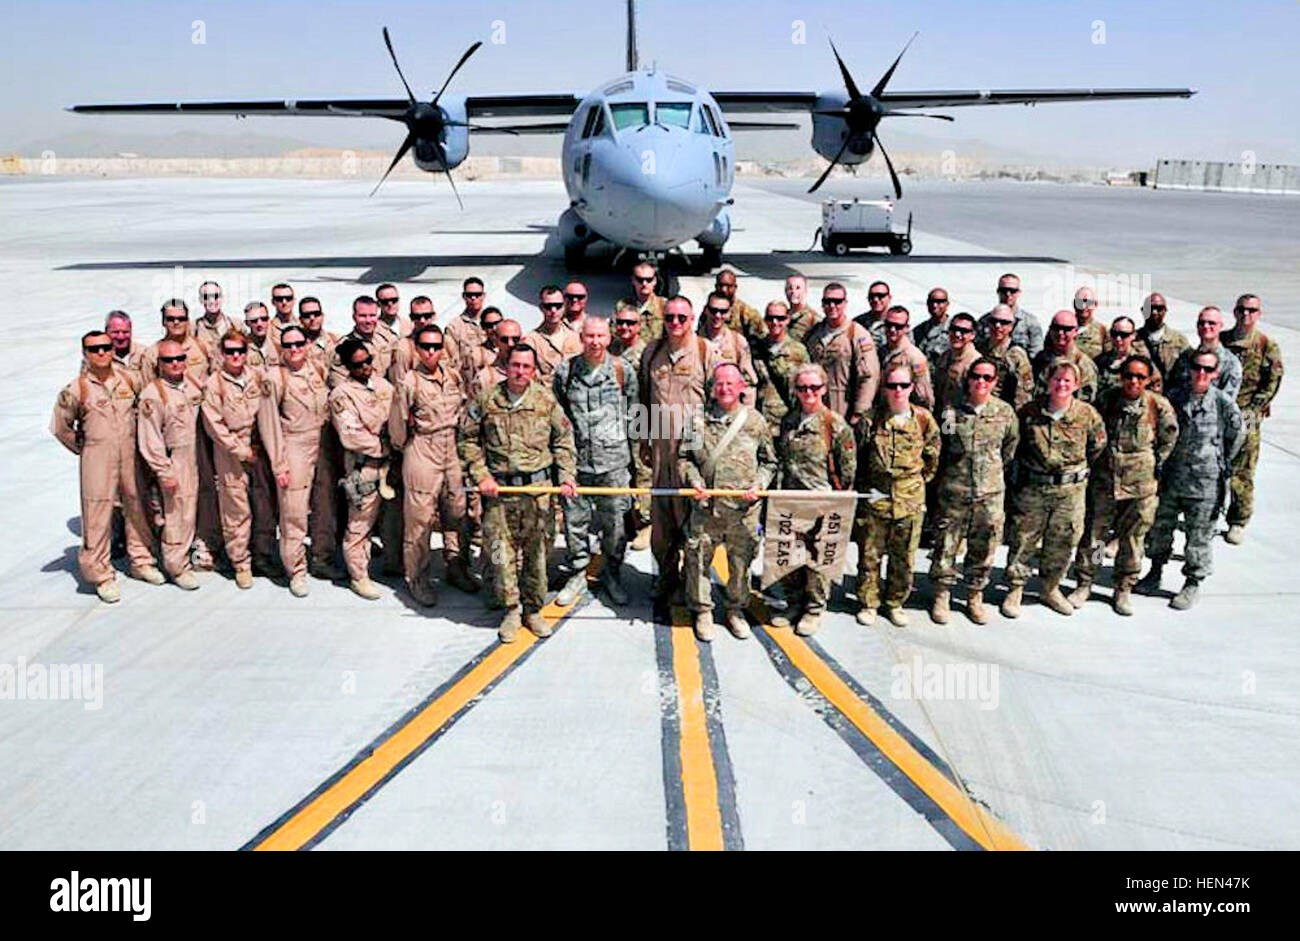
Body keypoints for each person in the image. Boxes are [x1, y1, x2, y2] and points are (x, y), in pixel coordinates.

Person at [460, 344, 578, 642]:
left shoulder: (545, 400)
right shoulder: (487, 399)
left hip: (538, 494)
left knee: (538, 554)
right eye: (515, 365)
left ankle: (533, 609)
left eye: (526, 367)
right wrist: (481, 475)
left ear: (534, 370)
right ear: (507, 366)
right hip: (500, 493)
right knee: (500, 554)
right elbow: (467, 440)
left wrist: (566, 476)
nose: (520, 372)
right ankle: (511, 610)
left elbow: (563, 439)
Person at [51, 331, 161, 602]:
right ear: (85, 353)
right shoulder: (76, 389)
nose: (101, 352)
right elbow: (61, 427)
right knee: (97, 514)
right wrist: (84, 448)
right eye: (94, 349)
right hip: (97, 457)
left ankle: (141, 561)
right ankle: (100, 574)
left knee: (137, 506)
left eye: (105, 347)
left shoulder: (129, 380)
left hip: (130, 453)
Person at [1069, 354, 1178, 615]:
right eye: (1129, 375)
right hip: (1106, 483)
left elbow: (1168, 440)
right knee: (1095, 538)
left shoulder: (1158, 407)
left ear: (1148, 380)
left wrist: (1151, 465)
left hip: (1140, 488)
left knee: (1131, 540)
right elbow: (1094, 434)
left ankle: (1123, 588)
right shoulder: (1107, 400)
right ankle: (1086, 582)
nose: (1133, 381)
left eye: (1140, 377)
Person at [1138, 348, 1244, 609]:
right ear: (1190, 369)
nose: (1201, 373)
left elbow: (1237, 435)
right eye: (1197, 367)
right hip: (1172, 477)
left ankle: (1192, 582)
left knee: (1199, 536)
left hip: (1205, 482)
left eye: (1208, 369)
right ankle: (1155, 571)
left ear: (1216, 373)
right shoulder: (1175, 398)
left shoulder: (1222, 403)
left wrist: (1217, 460)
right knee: (1160, 528)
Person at [678, 363, 777, 641]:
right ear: (712, 388)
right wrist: (693, 481)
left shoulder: (755, 421)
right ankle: (702, 611)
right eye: (719, 383)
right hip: (706, 508)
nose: (724, 389)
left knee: (741, 563)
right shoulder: (697, 420)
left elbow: (769, 462)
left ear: (742, 387)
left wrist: (759, 485)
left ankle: (736, 609)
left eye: (730, 383)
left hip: (743, 510)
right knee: (698, 559)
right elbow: (684, 458)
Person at [1001, 360, 1106, 618]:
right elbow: (1015, 445)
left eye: (1067, 380)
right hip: (1033, 488)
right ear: (1048, 382)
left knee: (1063, 541)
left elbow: (1097, 446)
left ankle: (1050, 588)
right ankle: (1016, 588)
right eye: (1057, 379)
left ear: (1076, 385)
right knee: (1023, 539)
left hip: (1070, 492)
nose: (1061, 384)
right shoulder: (1029, 412)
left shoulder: (1087, 414)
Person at [638, 296, 723, 603]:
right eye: (670, 317)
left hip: (694, 450)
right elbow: (644, 397)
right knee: (662, 520)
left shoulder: (706, 351)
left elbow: (721, 400)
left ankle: (692, 578)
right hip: (662, 449)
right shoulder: (652, 352)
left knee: (694, 518)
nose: (675, 323)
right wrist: (643, 440)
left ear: (692, 318)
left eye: (682, 317)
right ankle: (667, 576)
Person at [553, 316, 638, 606]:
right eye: (590, 336)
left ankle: (611, 574)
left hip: (613, 463)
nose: (595, 342)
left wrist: (635, 462)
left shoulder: (622, 370)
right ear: (581, 337)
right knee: (575, 522)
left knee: (615, 523)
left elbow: (634, 413)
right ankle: (578, 572)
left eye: (601, 336)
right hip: (576, 461)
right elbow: (559, 415)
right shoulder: (566, 371)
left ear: (609, 338)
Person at [389, 323, 476, 605]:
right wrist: (409, 448)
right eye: (425, 346)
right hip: (423, 449)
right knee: (420, 520)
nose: (431, 352)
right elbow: (397, 428)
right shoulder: (409, 382)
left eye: (436, 346)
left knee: (457, 512)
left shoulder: (452, 376)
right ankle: (417, 579)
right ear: (416, 349)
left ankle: (456, 566)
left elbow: (462, 409)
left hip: (451, 448)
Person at [928, 358, 1019, 625]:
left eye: (987, 377)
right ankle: (942, 594)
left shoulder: (1005, 413)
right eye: (976, 376)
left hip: (989, 494)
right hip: (954, 492)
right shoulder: (951, 412)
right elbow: (942, 447)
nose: (981, 381)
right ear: (968, 379)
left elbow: (1009, 449)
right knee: (946, 544)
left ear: (995, 382)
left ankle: (974, 595)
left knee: (984, 546)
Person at [771, 363, 856, 636]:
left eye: (814, 387)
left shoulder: (835, 425)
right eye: (802, 388)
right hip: (791, 499)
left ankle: (814, 609)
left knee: (818, 560)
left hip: (822, 502)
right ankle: (794, 603)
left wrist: (835, 499)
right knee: (790, 556)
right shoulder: (789, 421)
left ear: (824, 389)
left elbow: (847, 469)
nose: (809, 393)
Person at [853, 362, 940, 627]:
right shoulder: (870, 421)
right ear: (884, 388)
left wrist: (913, 485)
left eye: (904, 385)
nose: (898, 390)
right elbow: (859, 459)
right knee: (870, 555)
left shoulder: (923, 419)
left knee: (903, 556)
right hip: (876, 498)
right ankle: (869, 602)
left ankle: (895, 602)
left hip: (909, 499)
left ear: (912, 387)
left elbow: (932, 456)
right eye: (892, 385)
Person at [256, 325, 329, 598]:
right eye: (288, 345)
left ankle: (322, 558)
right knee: (294, 512)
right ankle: (296, 570)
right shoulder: (275, 378)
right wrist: (279, 463)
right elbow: (268, 424)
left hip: (321, 443)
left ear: (308, 344)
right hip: (293, 445)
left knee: (324, 506)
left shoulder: (317, 370)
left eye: (299, 343)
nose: (295, 349)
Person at [329, 337, 396, 600]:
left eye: (368, 361)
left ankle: (394, 563)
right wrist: (385, 446)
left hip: (391, 464)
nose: (366, 367)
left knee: (393, 521)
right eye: (358, 365)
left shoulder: (384, 386)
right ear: (348, 367)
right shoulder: (342, 395)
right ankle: (358, 575)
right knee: (360, 525)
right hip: (365, 465)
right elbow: (352, 435)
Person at [136, 339, 205, 590]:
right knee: (177, 514)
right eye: (168, 360)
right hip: (174, 458)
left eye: (179, 358)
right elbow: (150, 439)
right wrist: (164, 471)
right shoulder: (153, 395)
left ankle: (192, 554)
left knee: (194, 510)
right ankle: (177, 566)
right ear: (159, 363)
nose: (175, 363)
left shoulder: (192, 384)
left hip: (196, 454)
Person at [200, 331, 267, 589]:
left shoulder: (257, 377)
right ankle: (241, 563)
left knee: (262, 505)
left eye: (240, 350)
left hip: (258, 448)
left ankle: (263, 556)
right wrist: (240, 450)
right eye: (230, 351)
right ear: (222, 354)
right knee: (236, 509)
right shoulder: (214, 384)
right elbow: (214, 425)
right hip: (230, 452)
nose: (236, 356)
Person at [1223, 293, 1284, 545]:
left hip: (1248, 413)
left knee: (1243, 469)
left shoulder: (1266, 345)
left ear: (1259, 314)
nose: (1246, 314)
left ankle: (1238, 520)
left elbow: (1272, 381)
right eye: (1242, 309)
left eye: (1251, 310)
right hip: (1222, 411)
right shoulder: (1224, 340)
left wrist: (1254, 408)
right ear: (1235, 312)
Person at [297, 297, 344, 579]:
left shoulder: (336, 343)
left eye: (316, 313)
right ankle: (315, 556)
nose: (312, 318)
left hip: (332, 431)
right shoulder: (294, 346)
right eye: (306, 315)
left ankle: (334, 548)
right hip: (302, 435)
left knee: (335, 495)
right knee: (310, 501)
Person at [803, 282, 879, 428]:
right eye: (827, 302)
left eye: (837, 301)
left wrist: (859, 411)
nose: (832, 306)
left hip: (844, 410)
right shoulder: (814, 333)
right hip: (815, 407)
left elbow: (868, 376)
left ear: (845, 303)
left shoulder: (857, 335)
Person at [611, 308, 652, 550]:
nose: (625, 327)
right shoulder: (613, 350)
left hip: (640, 415)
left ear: (639, 326)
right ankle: (626, 521)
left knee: (641, 469)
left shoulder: (646, 352)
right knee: (620, 468)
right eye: (621, 322)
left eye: (630, 323)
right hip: (616, 417)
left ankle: (646, 522)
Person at [753, 301, 810, 437]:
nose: (775, 322)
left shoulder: (798, 351)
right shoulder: (756, 348)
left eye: (780, 318)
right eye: (770, 318)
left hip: (786, 423)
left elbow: (806, 387)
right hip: (760, 422)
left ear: (788, 319)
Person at [1166, 306, 1242, 399]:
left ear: (1221, 326)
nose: (1206, 326)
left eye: (1211, 323)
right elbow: (1172, 389)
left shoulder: (1230, 363)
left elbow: (1227, 400)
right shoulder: (1185, 357)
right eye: (1201, 323)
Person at [698, 291, 757, 405]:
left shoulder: (738, 342)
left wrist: (746, 411)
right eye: (713, 310)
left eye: (723, 311)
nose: (717, 315)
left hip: (727, 409)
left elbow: (748, 383)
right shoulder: (694, 341)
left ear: (730, 313)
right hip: (700, 408)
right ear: (706, 310)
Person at [1032, 310, 1099, 403]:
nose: (1060, 333)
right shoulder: (1040, 359)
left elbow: (1086, 401)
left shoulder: (1084, 365)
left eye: (1066, 329)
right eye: (1056, 328)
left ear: (1075, 331)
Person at [329, 295, 394, 388]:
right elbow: (340, 386)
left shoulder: (385, 339)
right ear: (354, 317)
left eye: (372, 315)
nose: (368, 320)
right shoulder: (343, 348)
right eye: (362, 316)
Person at [978, 304, 1034, 411]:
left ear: (1011, 326)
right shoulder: (979, 349)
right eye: (993, 321)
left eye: (1004, 323)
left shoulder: (1017, 355)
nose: (997, 326)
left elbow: (1024, 392)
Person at [139, 299, 210, 382]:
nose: (176, 322)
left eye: (181, 318)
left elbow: (216, 379)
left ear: (187, 321)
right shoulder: (152, 354)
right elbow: (147, 386)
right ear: (163, 322)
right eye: (170, 319)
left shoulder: (203, 347)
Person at [878, 305, 934, 409]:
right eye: (889, 325)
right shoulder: (881, 352)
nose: (892, 329)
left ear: (906, 328)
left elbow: (923, 396)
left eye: (898, 326)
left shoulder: (915, 358)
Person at [977, 273, 1044, 357]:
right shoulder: (984, 321)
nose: (1008, 294)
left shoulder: (1031, 322)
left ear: (1018, 293)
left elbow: (1037, 353)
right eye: (1003, 290)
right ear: (998, 291)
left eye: (1012, 291)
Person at [525, 284, 584, 380]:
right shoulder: (531, 341)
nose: (553, 310)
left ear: (564, 306)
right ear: (541, 308)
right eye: (548, 306)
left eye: (558, 306)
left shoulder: (575, 336)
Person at [443, 276, 489, 385]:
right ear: (463, 296)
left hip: (491, 383)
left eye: (477, 294)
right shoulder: (454, 327)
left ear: (483, 296)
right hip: (467, 384)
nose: (473, 298)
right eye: (469, 295)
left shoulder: (493, 322)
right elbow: (449, 362)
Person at [1136, 292, 1189, 386]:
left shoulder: (1179, 341)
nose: (1154, 312)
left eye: (1159, 308)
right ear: (1143, 310)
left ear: (1165, 311)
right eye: (1150, 308)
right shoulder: (1132, 339)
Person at [1095, 316, 1155, 397]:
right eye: (1114, 334)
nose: (1118, 339)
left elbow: (1153, 387)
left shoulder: (1141, 363)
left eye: (1123, 335)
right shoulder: (1101, 361)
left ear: (1133, 336)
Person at [931, 313, 979, 412]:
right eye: (954, 329)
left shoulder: (975, 363)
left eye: (963, 331)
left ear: (972, 335)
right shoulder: (944, 356)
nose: (957, 334)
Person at [387, 297, 437, 385]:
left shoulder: (444, 343)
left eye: (427, 316)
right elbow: (399, 384)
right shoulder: (403, 347)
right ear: (411, 318)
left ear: (434, 316)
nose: (422, 321)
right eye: (417, 317)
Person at [615, 261, 666, 342]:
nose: (644, 283)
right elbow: (615, 334)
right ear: (633, 280)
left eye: (649, 280)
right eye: (640, 280)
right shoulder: (622, 306)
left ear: (655, 281)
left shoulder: (664, 305)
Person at [714, 269, 764, 341]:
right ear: (716, 286)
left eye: (728, 286)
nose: (724, 290)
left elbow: (761, 339)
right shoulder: (709, 311)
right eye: (720, 285)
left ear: (735, 287)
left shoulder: (747, 313)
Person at [192, 281, 234, 365]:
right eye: (206, 297)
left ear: (222, 298)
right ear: (200, 300)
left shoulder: (236, 325)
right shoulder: (193, 328)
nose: (211, 301)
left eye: (215, 296)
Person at [912, 287, 952, 365]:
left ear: (947, 304)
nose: (934, 305)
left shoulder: (954, 330)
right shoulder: (919, 330)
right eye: (931, 302)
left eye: (939, 302)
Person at [854, 280, 892, 347]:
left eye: (880, 296)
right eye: (871, 296)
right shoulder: (858, 323)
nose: (875, 299)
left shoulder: (898, 323)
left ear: (889, 298)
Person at [1072, 286, 1108, 360]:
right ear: (1074, 304)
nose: (1083, 306)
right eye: (1080, 302)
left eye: (1088, 303)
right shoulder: (1062, 329)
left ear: (1095, 304)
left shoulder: (1103, 331)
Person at [104, 311, 144, 376]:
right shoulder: (99, 356)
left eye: (125, 332)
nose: (121, 337)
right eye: (116, 332)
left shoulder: (144, 353)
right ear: (106, 332)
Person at [783, 274, 820, 342]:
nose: (793, 292)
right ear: (785, 291)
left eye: (798, 288)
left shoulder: (813, 319)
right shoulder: (781, 316)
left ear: (805, 291)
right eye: (790, 288)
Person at [242, 302, 275, 370]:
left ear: (269, 320)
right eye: (254, 320)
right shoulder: (241, 348)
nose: (259, 324)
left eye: (263, 319)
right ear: (247, 323)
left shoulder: (277, 346)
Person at [375, 283, 409, 347]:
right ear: (378, 304)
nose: (390, 304)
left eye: (394, 300)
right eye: (385, 301)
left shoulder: (409, 325)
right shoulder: (373, 329)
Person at [268, 283, 297, 349]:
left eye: (288, 298)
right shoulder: (268, 329)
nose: (284, 302)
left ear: (294, 300)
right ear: (273, 302)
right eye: (279, 299)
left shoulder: (304, 325)